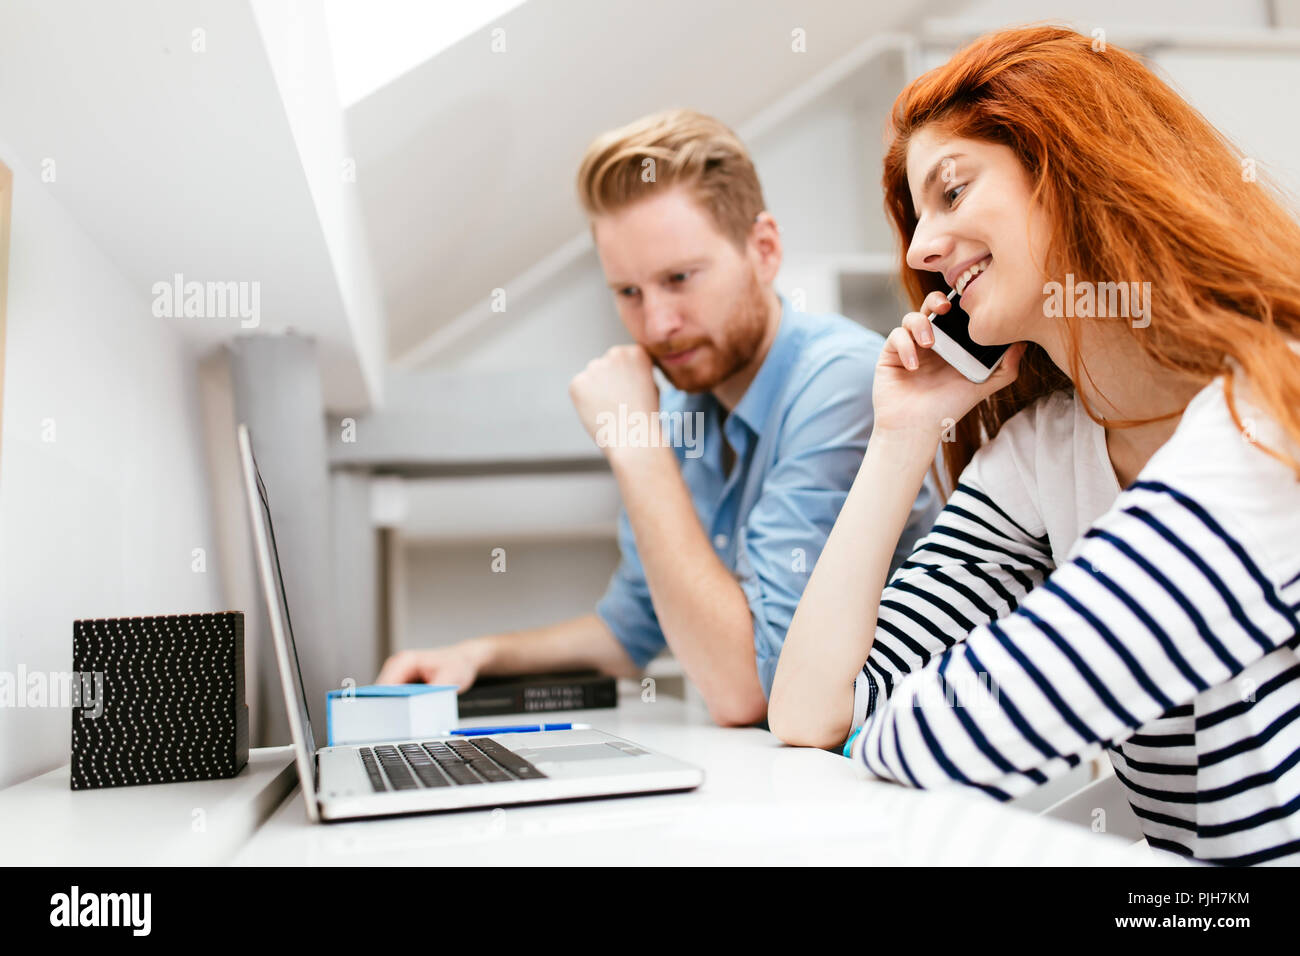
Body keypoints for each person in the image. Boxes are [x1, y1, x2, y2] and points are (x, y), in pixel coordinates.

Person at [768, 26, 1300, 864]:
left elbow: (996, 722)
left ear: (1075, 169)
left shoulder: (1273, 410)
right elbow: (811, 710)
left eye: (951, 192)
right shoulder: (1046, 451)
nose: (919, 251)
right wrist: (903, 437)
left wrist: (905, 727)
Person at [378, 109, 941, 726]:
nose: (656, 325)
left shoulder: (840, 383)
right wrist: (478, 654)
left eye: (680, 278)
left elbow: (748, 690)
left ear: (764, 250)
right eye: (628, 292)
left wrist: (637, 446)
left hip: (887, 772)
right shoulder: (678, 408)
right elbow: (629, 631)